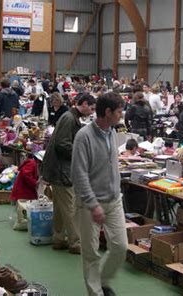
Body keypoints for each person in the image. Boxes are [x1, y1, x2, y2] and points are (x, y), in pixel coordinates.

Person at [72, 92, 127, 296]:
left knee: (121, 247)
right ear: (107, 112)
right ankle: (96, 293)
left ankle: (102, 281)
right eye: (119, 111)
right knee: (91, 252)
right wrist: (93, 204)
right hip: (89, 204)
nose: (121, 115)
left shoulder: (112, 132)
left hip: (114, 200)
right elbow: (79, 174)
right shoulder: (83, 137)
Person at [41, 94, 97, 254]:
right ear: (84, 103)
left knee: (60, 207)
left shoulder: (70, 117)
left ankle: (58, 239)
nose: (92, 112)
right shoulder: (69, 118)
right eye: (91, 108)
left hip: (58, 168)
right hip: (61, 169)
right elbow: (62, 144)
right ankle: (76, 243)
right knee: (71, 207)